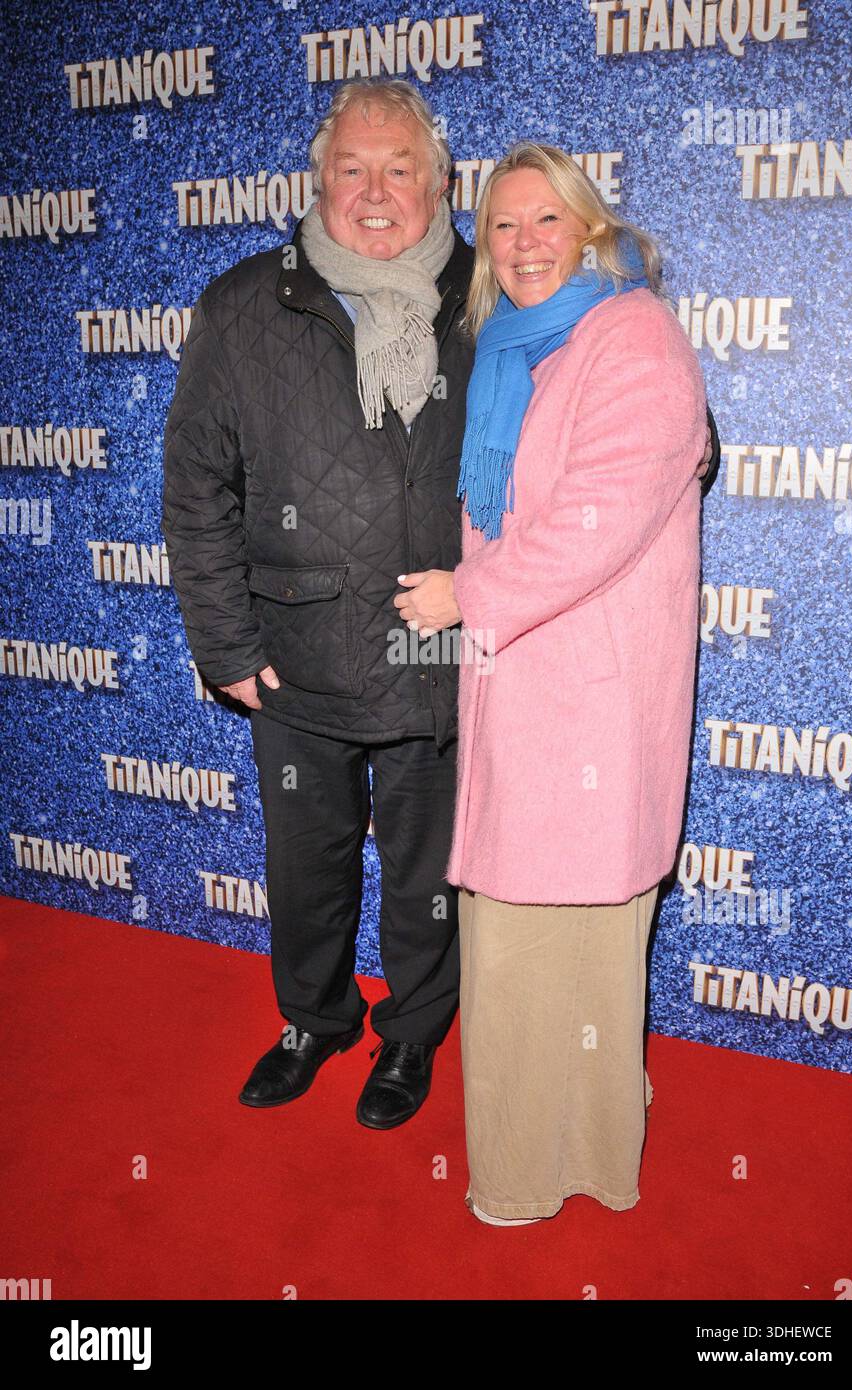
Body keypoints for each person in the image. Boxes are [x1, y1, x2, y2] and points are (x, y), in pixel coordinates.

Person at [393, 141, 713, 1222]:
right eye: (504, 225)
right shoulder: (515, 352)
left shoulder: (633, 336)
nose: (523, 244)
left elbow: (597, 518)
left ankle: (548, 1167)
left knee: (554, 946)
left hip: (589, 710)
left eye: (546, 220)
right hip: (528, 693)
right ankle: (558, 1138)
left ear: (590, 227)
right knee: (523, 946)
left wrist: (466, 598)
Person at [162, 79, 475, 1129]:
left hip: (442, 651)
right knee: (306, 863)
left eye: (400, 171)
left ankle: (414, 1034)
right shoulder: (247, 303)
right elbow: (197, 485)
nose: (375, 193)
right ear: (318, 182)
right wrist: (222, 639)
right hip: (296, 656)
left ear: (438, 186)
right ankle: (314, 1017)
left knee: (428, 870)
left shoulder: (492, 301)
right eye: (352, 170)